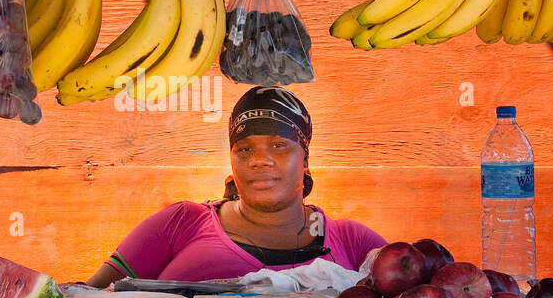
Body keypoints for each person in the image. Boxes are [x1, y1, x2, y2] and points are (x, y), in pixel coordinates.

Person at [86, 86, 387, 287]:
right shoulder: (181, 223)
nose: (259, 160)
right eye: (244, 149)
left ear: (305, 159)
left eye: (279, 145)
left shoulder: (354, 242)